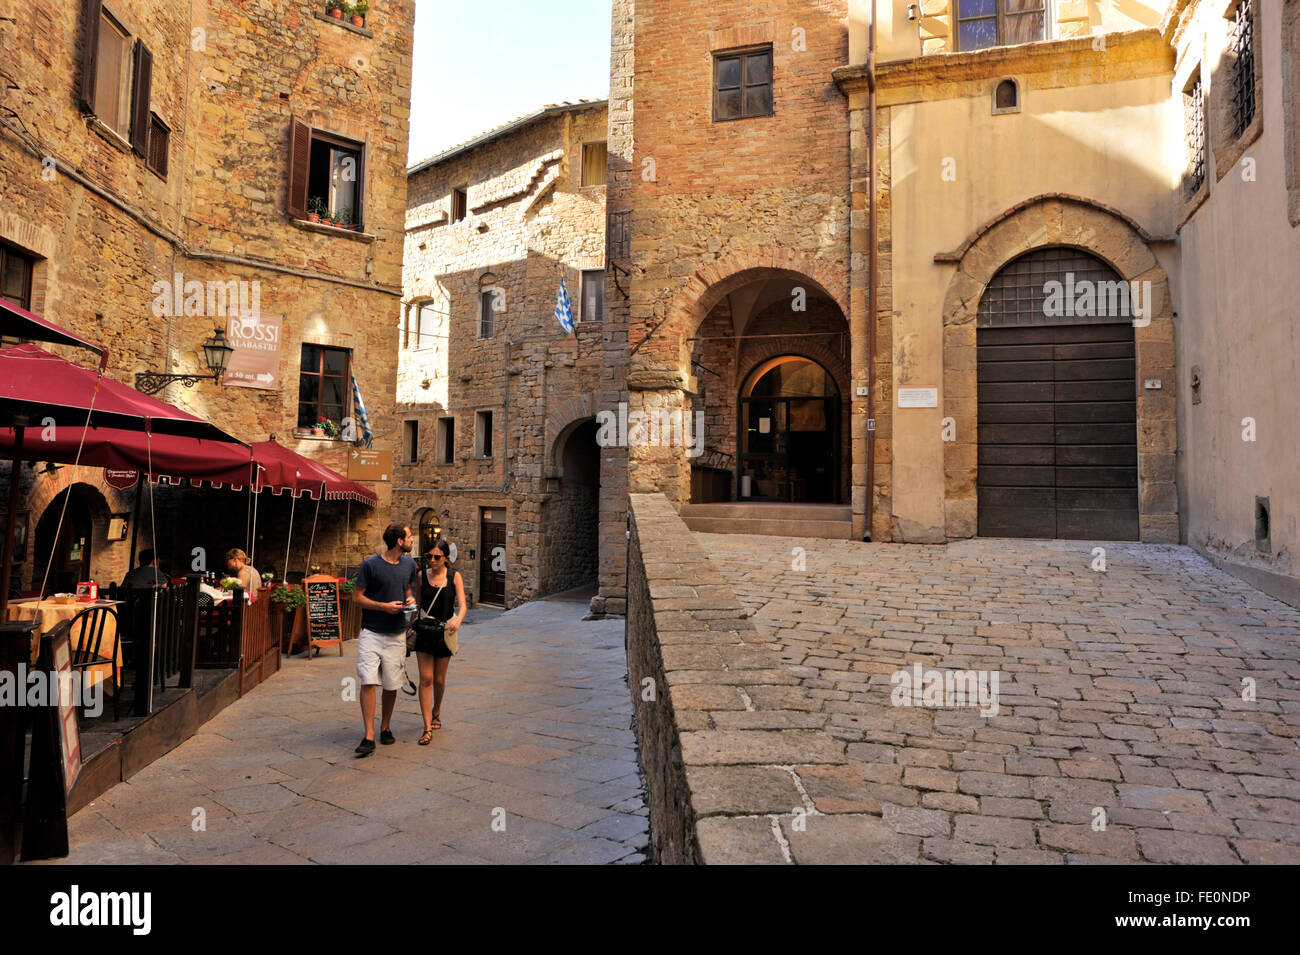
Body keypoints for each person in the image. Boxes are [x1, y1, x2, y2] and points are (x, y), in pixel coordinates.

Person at [351, 522, 418, 756]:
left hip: (397, 633)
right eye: (409, 536)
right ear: (399, 541)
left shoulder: (410, 564)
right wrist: (382, 606)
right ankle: (368, 735)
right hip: (371, 631)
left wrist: (410, 602)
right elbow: (357, 598)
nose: (412, 539)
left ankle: (385, 726)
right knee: (368, 681)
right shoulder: (370, 565)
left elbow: (408, 591)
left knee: (391, 685)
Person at [413, 539, 466, 745]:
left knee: (439, 680)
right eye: (429, 557)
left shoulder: (454, 577)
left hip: (445, 632)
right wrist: (408, 625)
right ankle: (427, 727)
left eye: (437, 557)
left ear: (446, 558)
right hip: (424, 630)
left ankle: (437, 710)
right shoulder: (421, 576)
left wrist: (458, 620)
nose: (432, 561)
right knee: (426, 678)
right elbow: (418, 604)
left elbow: (462, 605)